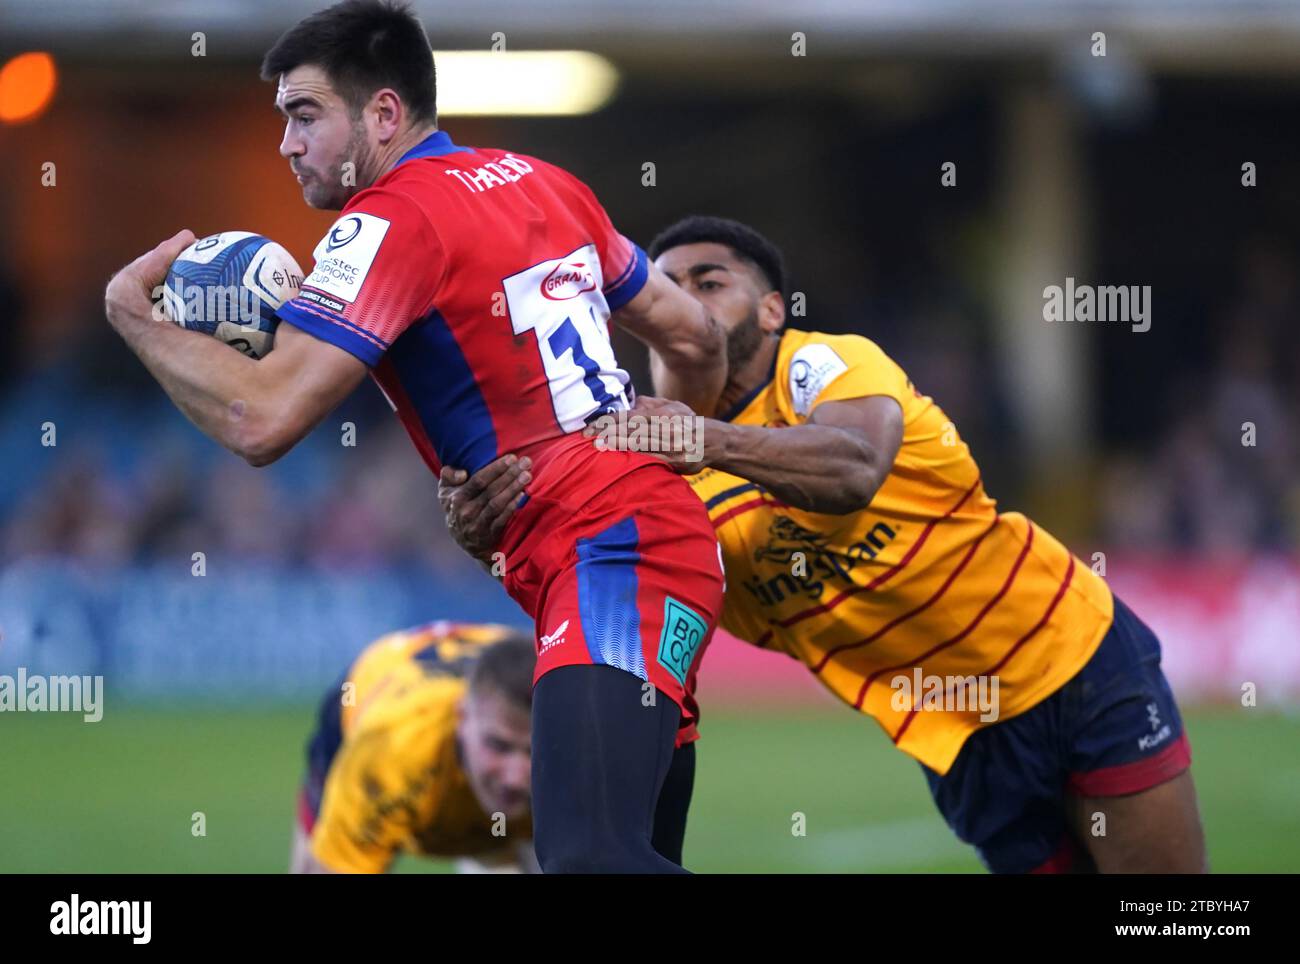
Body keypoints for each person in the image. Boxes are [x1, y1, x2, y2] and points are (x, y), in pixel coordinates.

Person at [103, 1, 727, 873]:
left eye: (305, 115)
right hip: (632, 544)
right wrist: (675, 466)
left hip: (610, 551)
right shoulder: (545, 181)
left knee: (584, 858)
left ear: (385, 115)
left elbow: (262, 418)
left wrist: (131, 317)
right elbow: (697, 337)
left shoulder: (386, 221)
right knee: (624, 851)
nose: (287, 143)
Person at [439, 215, 1209, 874]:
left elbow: (853, 469)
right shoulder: (642, 474)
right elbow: (606, 600)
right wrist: (495, 542)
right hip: (952, 733)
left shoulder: (819, 366)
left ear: (772, 310)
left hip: (1068, 654)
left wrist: (702, 438)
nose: (687, 301)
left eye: (711, 282)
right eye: (667, 288)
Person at [292, 623, 537, 873]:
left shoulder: (572, 750)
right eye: (498, 746)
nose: (515, 778)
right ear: (461, 717)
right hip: (375, 692)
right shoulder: (388, 757)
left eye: (533, 751)